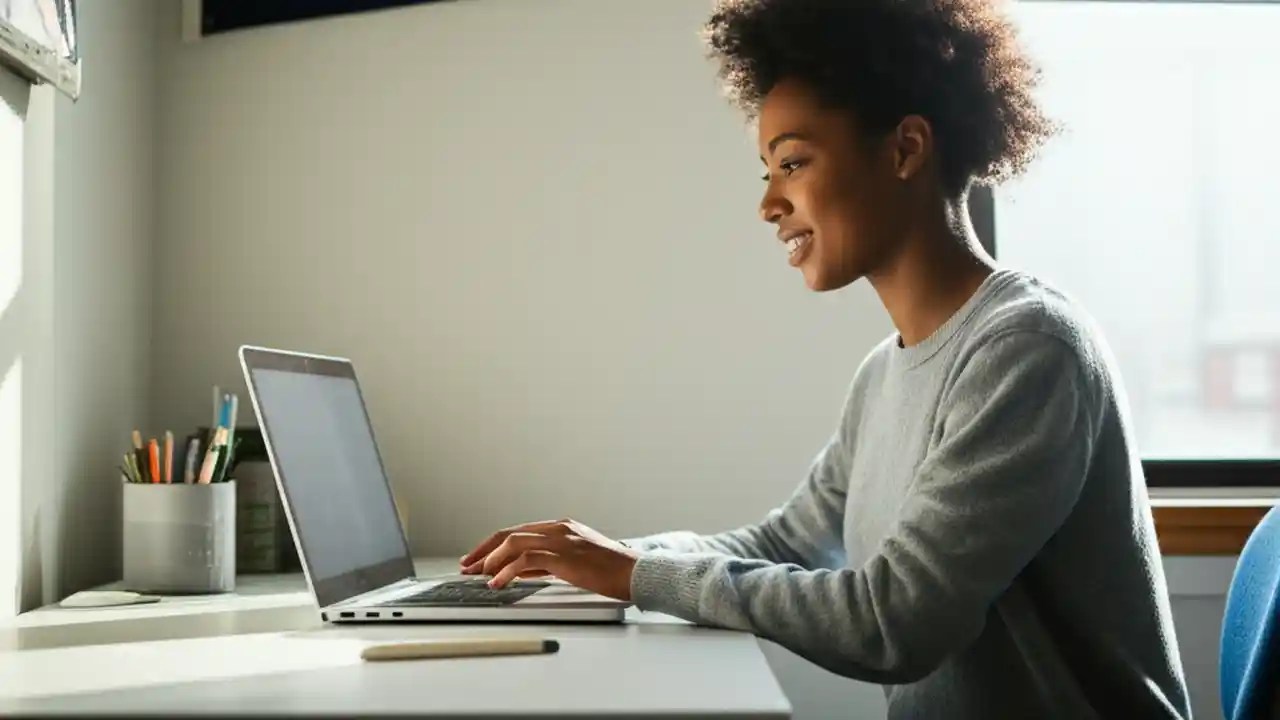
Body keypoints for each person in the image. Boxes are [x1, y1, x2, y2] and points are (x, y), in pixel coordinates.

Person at [459, 0, 1191, 717]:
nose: (768, 204)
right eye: (766, 172)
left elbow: (893, 624)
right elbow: (789, 542)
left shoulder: (1029, 350)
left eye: (793, 162)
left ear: (905, 148)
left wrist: (635, 575)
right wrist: (593, 560)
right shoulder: (884, 373)